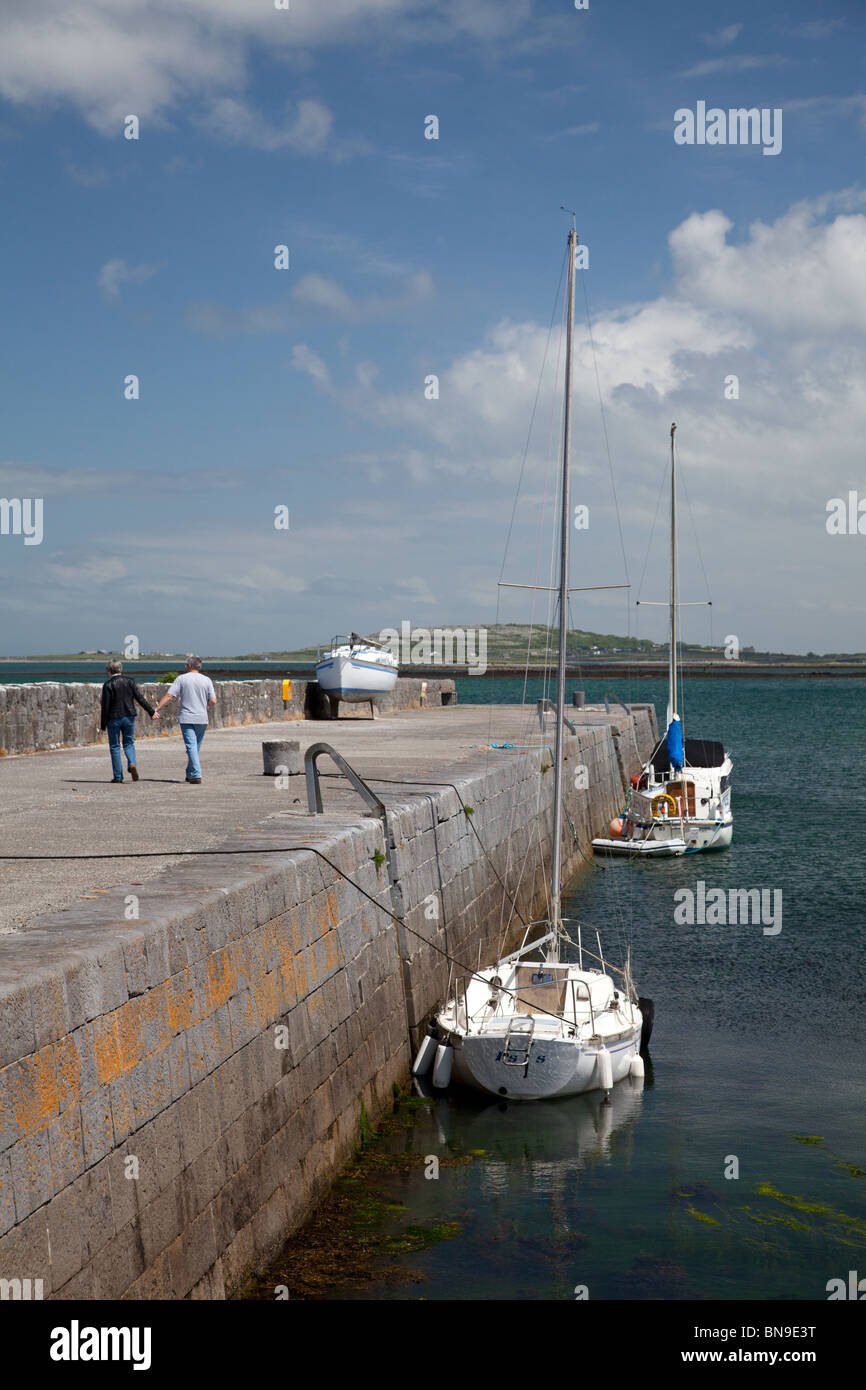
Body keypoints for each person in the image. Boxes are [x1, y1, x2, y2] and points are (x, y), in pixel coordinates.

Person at [152, 655, 217, 784]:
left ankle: (196, 774)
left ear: (189, 666)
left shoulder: (181, 679)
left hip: (187, 717)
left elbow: (170, 695)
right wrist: (204, 705)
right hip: (202, 718)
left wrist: (157, 708)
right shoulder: (207, 680)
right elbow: (213, 701)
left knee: (191, 747)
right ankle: (190, 773)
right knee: (195, 747)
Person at [100, 659, 156, 783]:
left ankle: (118, 777)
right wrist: (151, 711)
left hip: (113, 718)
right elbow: (139, 698)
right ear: (121, 669)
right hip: (129, 716)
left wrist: (103, 724)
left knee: (115, 746)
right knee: (129, 743)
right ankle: (132, 763)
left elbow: (105, 706)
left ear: (109, 671)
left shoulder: (108, 685)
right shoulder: (130, 682)